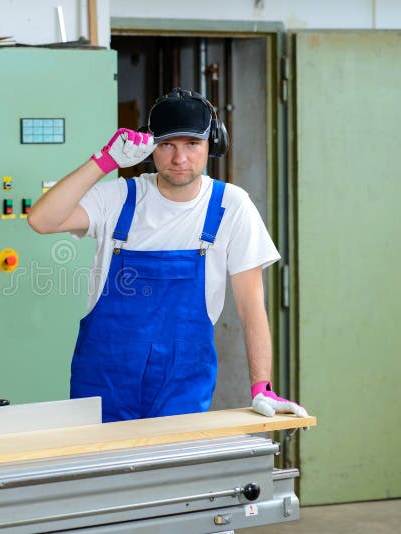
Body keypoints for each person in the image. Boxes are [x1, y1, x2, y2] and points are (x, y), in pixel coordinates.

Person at [28, 87, 308, 423]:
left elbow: (251, 307)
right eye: (167, 145)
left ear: (212, 145)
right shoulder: (119, 198)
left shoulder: (230, 206)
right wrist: (104, 161)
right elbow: (41, 220)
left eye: (192, 144)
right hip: (102, 384)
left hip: (180, 387)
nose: (180, 159)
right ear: (150, 146)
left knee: (170, 475)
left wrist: (261, 386)